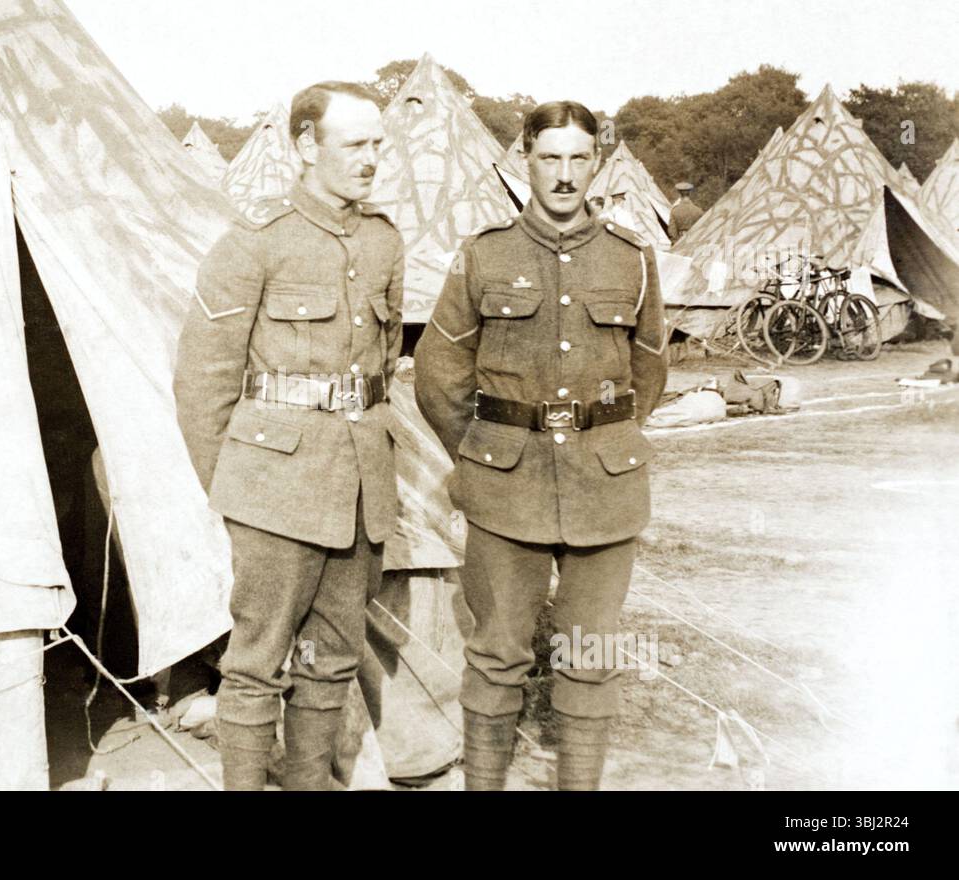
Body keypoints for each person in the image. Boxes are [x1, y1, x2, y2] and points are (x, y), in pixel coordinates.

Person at [414, 100, 668, 790]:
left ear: (596, 164)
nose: (563, 175)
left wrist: (603, 435)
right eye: (549, 158)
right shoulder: (483, 254)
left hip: (605, 488)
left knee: (589, 652)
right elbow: (439, 373)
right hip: (505, 486)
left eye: (577, 159)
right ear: (523, 160)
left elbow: (648, 371)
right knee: (497, 652)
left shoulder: (633, 259)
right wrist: (484, 448)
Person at [172, 81, 404, 791]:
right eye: (354, 144)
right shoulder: (255, 243)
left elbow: (382, 368)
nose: (371, 159)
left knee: (332, 659)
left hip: (359, 481)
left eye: (377, 144)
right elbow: (202, 381)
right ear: (307, 147)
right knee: (256, 664)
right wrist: (237, 487)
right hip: (273, 489)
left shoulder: (382, 239)